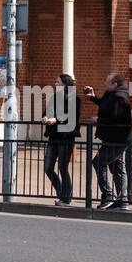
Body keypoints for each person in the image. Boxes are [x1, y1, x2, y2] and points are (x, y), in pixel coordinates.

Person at [84, 73, 132, 211]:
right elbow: (105, 105)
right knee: (117, 167)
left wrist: (99, 120)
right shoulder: (111, 94)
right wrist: (93, 97)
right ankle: (122, 200)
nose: (105, 83)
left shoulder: (120, 97)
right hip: (112, 138)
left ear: (115, 84)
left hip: (118, 138)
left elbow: (116, 118)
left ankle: (109, 195)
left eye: (108, 82)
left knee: (98, 162)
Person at [41, 73, 81, 206]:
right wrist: (46, 117)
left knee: (63, 167)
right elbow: (47, 111)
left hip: (66, 137)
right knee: (48, 167)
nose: (55, 84)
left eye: (58, 82)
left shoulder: (74, 98)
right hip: (54, 136)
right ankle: (61, 191)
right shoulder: (55, 97)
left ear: (65, 84)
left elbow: (71, 117)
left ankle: (66, 196)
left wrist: (56, 120)